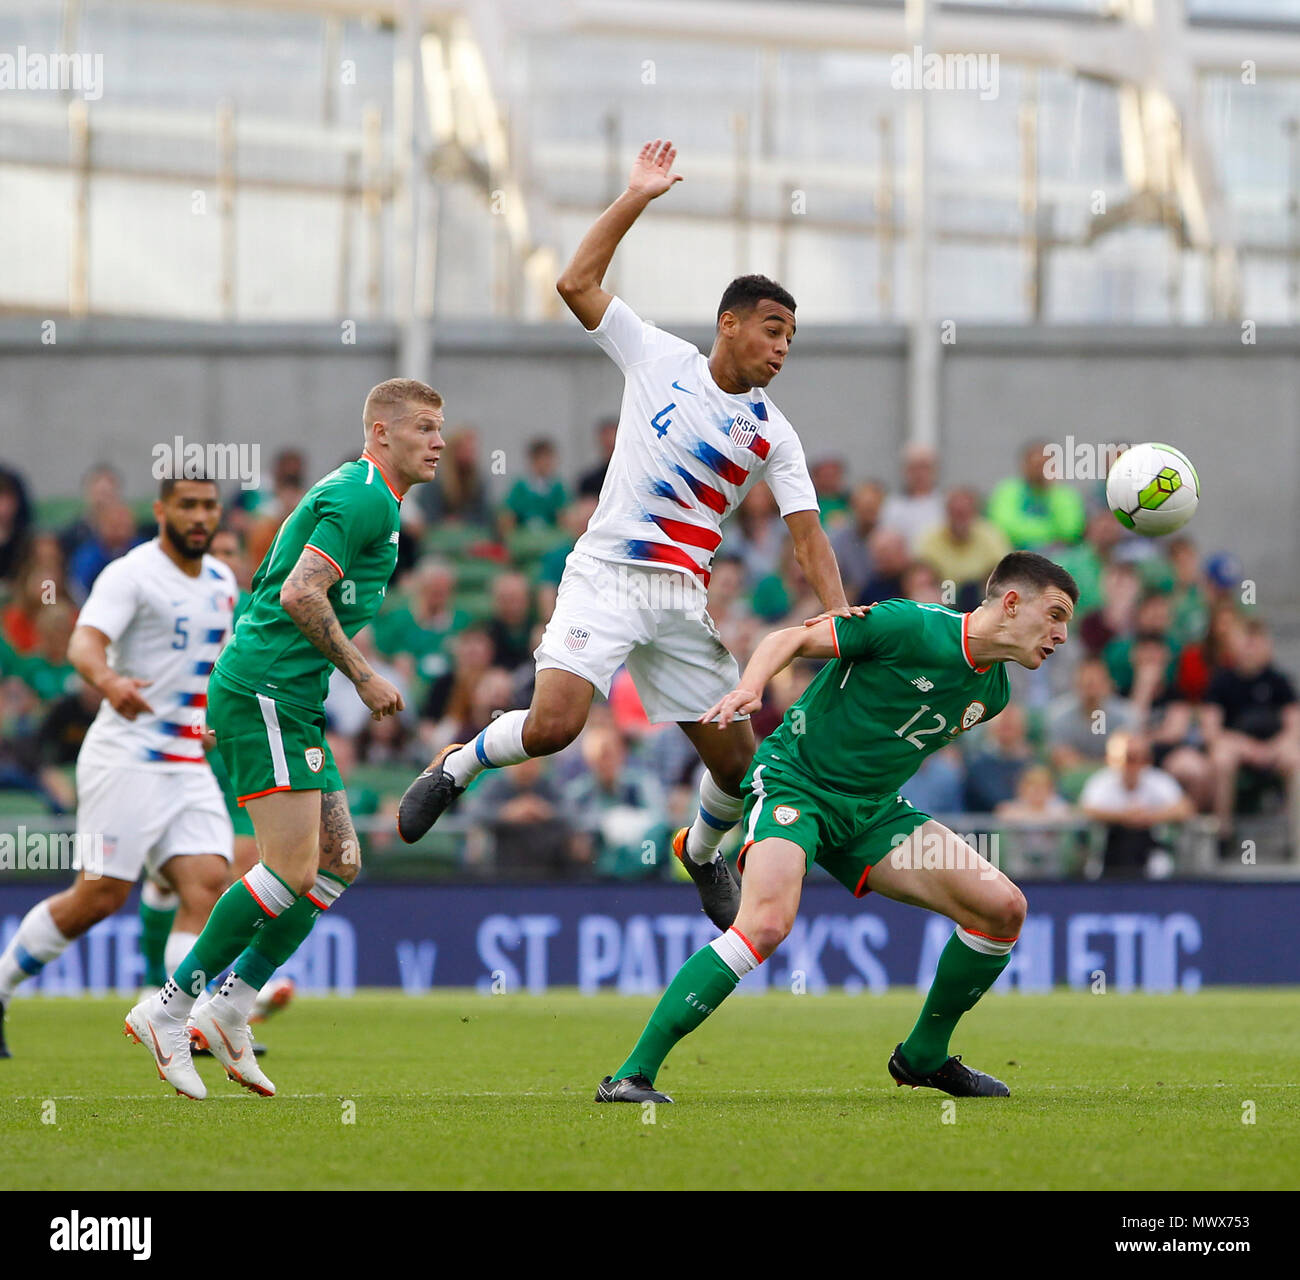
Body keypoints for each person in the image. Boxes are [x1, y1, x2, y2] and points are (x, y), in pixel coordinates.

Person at [397, 140, 856, 934]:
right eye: (772, 329)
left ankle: (703, 850)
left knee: (739, 768)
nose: (782, 347)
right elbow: (574, 282)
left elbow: (808, 539)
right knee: (553, 728)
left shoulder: (773, 434)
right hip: (608, 576)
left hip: (679, 600)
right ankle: (457, 764)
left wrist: (845, 620)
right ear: (729, 324)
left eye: (792, 337)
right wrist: (636, 195)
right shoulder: (655, 355)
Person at [595, 550, 1076, 1103]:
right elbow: (788, 639)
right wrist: (753, 687)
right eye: (1056, 614)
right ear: (1012, 602)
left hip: (873, 813)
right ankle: (630, 1075)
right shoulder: (910, 624)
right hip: (796, 786)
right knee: (767, 924)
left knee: (1003, 909)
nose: (1062, 634)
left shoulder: (994, 693)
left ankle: (922, 1056)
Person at [122, 378, 442, 1099]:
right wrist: (363, 675)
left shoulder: (378, 502)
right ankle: (168, 1010)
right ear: (382, 434)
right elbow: (300, 593)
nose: (439, 442)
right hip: (265, 686)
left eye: (439, 428)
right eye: (424, 427)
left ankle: (232, 1008)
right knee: (290, 868)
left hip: (289, 694)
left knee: (339, 860)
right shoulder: (361, 496)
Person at [0, 478, 236, 1060]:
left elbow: (216, 667)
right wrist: (108, 682)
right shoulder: (131, 573)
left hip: (185, 761)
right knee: (100, 897)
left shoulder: (223, 582)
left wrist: (214, 716)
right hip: (125, 756)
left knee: (206, 884)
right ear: (160, 511)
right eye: (188, 505)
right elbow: (85, 643)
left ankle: (175, 1018)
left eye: (209, 505)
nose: (200, 516)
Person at [1079, 733, 1193, 878]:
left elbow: (1185, 808)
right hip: (1110, 852)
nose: (1134, 765)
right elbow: (1087, 809)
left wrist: (1149, 816)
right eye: (1129, 758)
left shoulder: (1158, 780)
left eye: (1140, 758)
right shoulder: (1102, 781)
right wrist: (1124, 817)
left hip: (1151, 849)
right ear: (1112, 759)